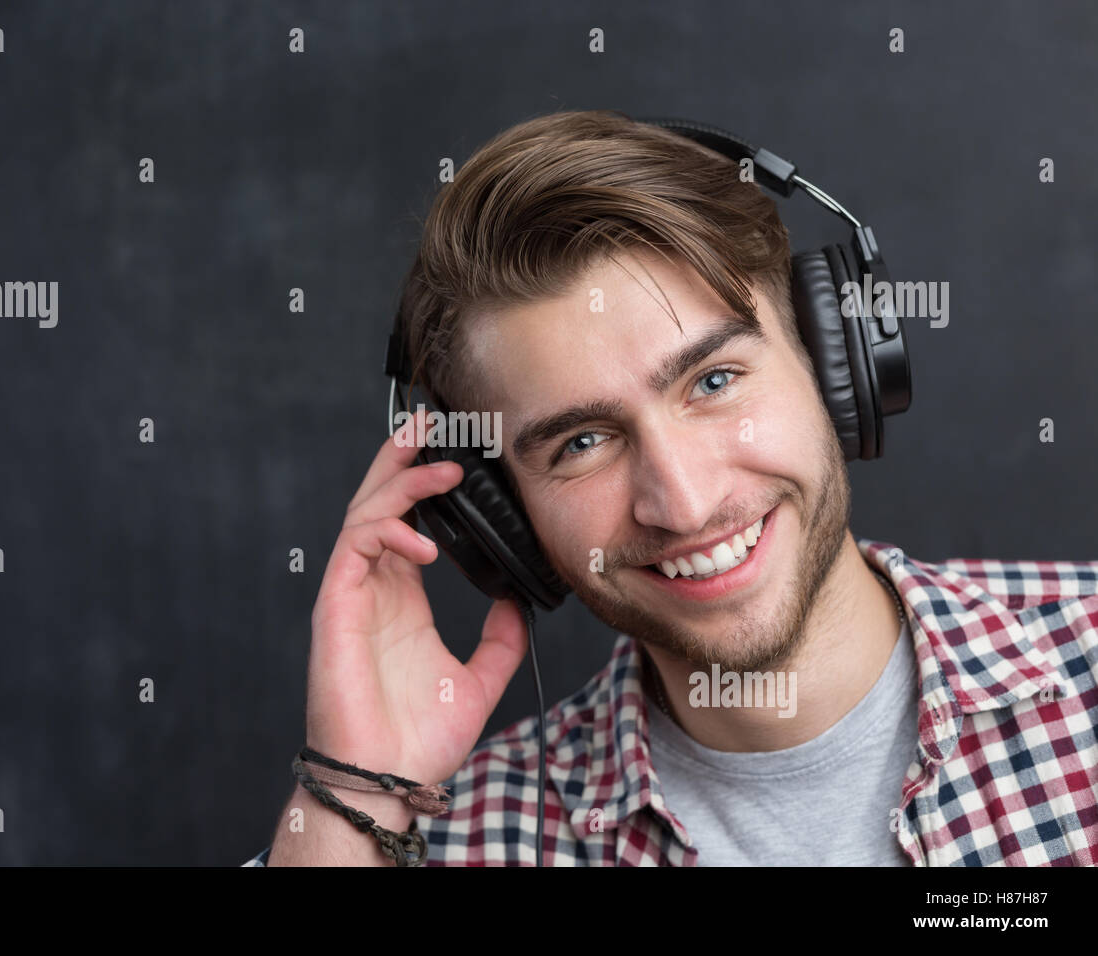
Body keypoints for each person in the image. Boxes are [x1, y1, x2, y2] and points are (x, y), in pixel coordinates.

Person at [245, 110, 1098, 866]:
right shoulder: (436, 840)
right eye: (583, 442)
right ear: (496, 521)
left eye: (714, 382)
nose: (683, 503)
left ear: (833, 357)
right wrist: (356, 794)